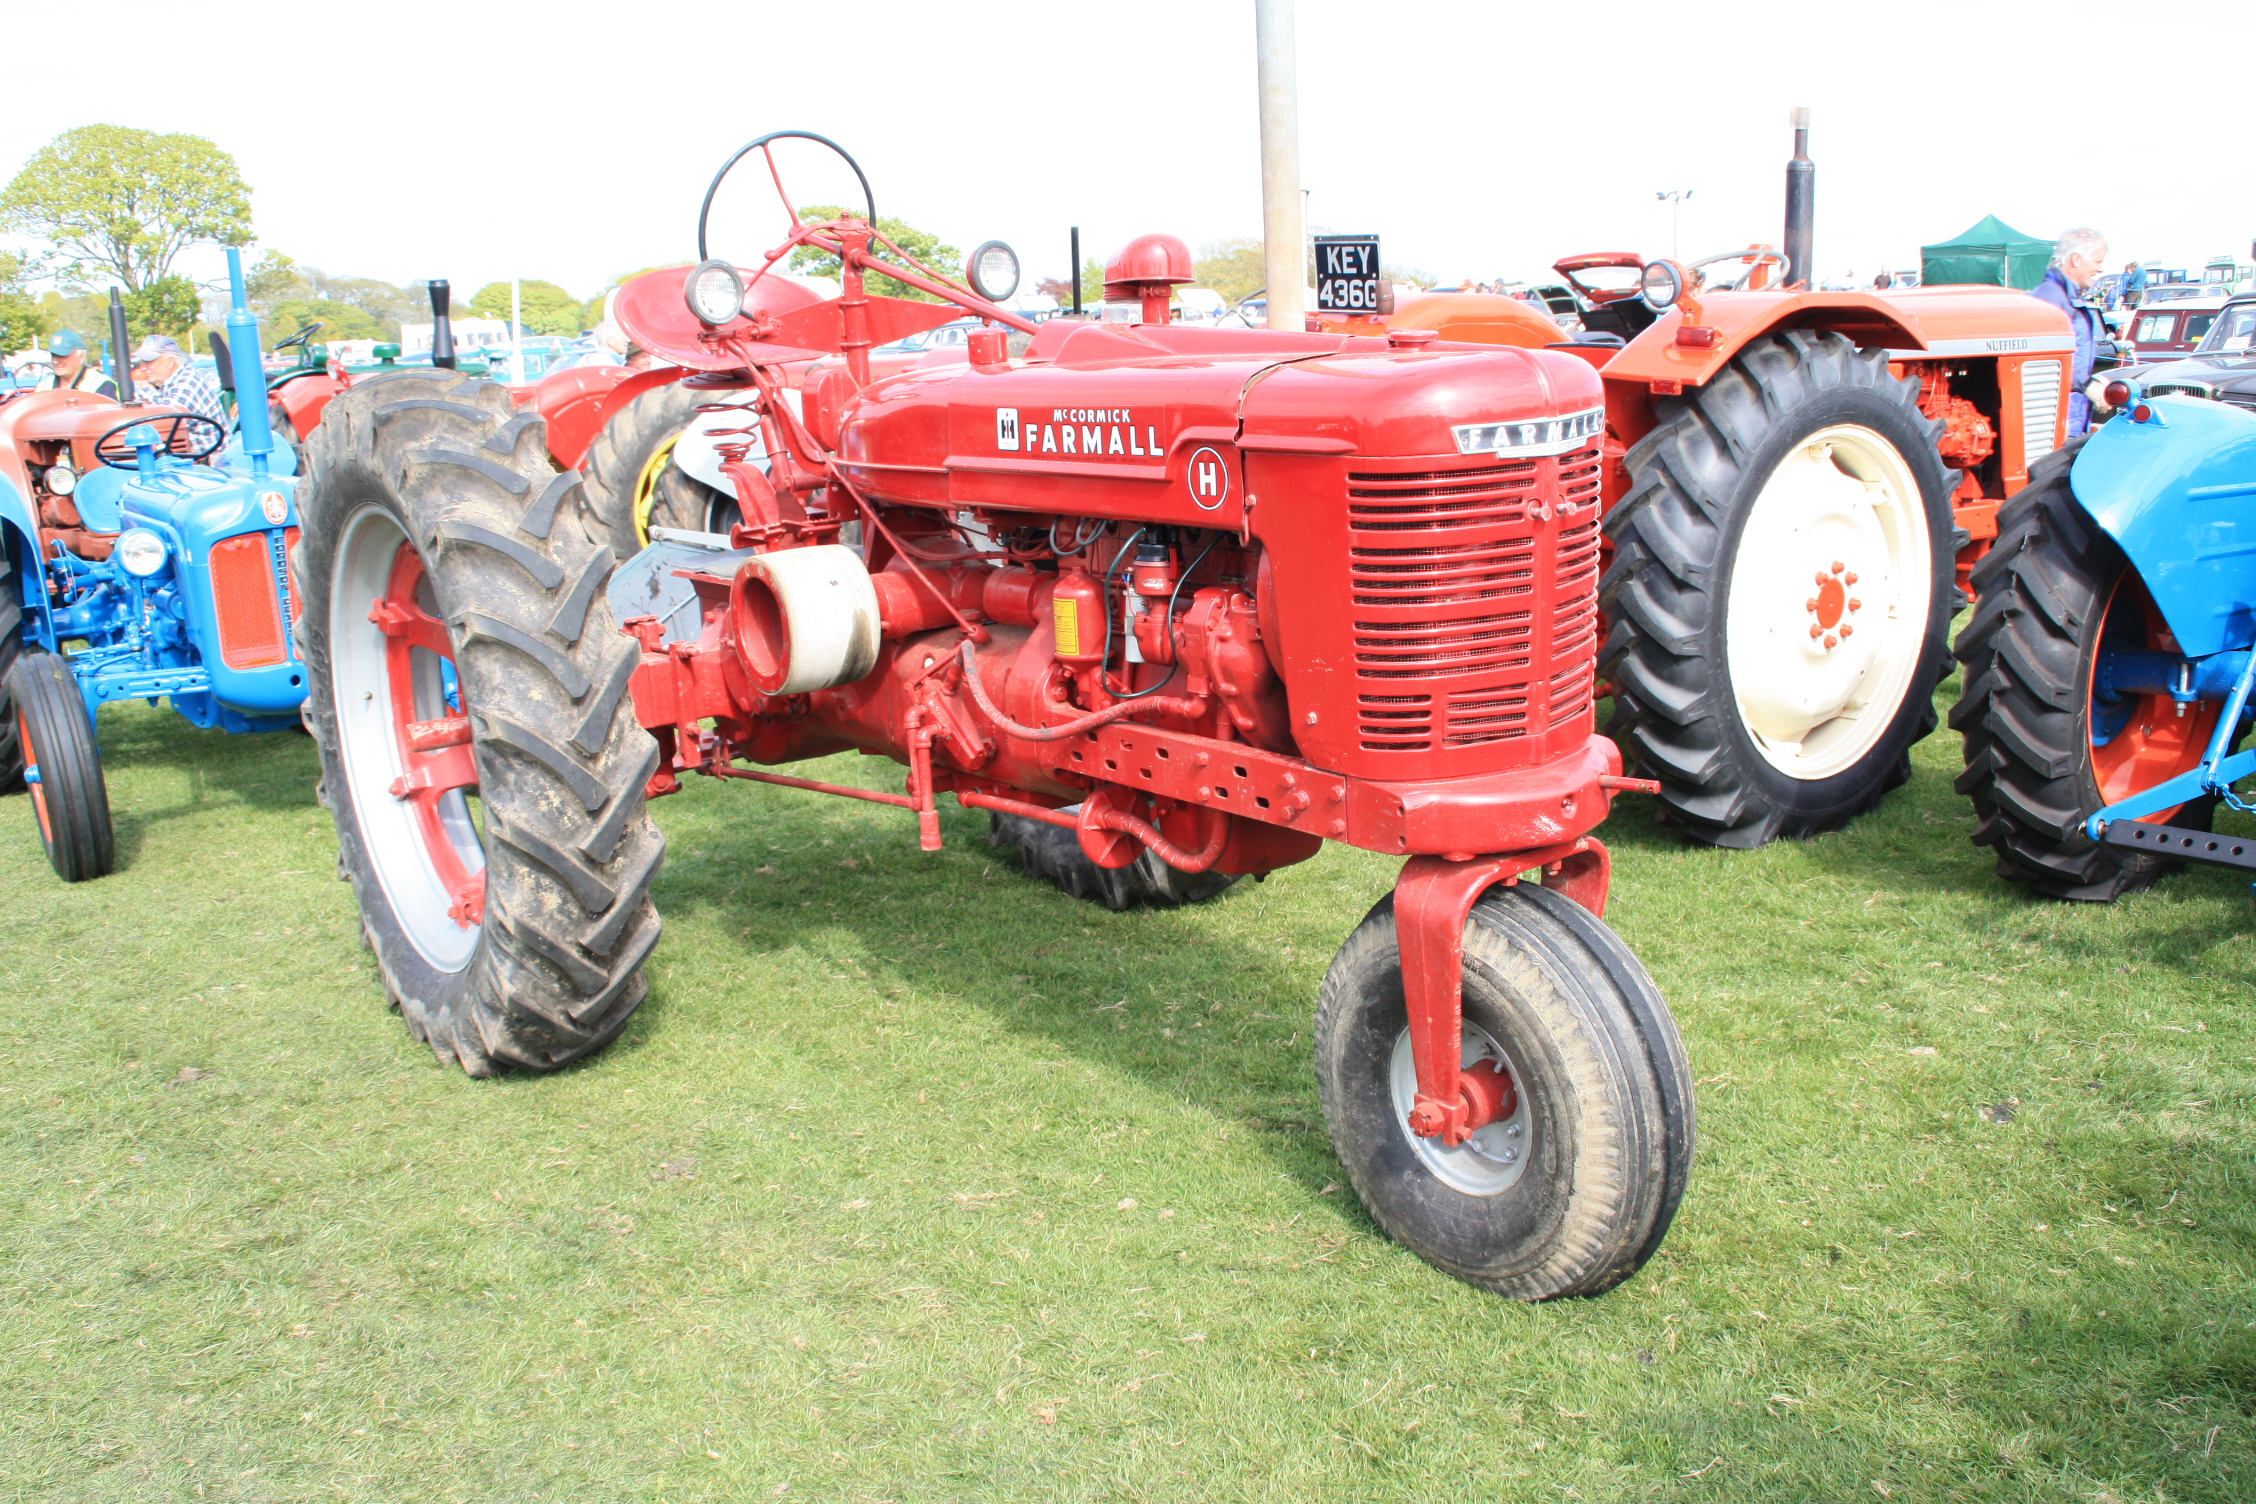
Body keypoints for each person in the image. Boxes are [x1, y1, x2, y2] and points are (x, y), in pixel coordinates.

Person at [2029, 228, 2109, 437]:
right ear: (2076, 259)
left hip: (2070, 412)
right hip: (2055, 417)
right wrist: (2086, 385)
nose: (2100, 269)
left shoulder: (2065, 298)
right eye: (2098, 261)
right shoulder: (2051, 300)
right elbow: (2044, 360)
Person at [127, 334, 226, 428]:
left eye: (148, 362)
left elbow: (167, 417)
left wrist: (146, 390)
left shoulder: (187, 383)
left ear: (170, 362)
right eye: (142, 362)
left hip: (205, 446)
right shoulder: (169, 383)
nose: (143, 367)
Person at [31, 329, 119, 398]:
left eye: (62, 355)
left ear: (81, 357)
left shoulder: (101, 384)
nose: (55, 361)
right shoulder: (42, 387)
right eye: (53, 355)